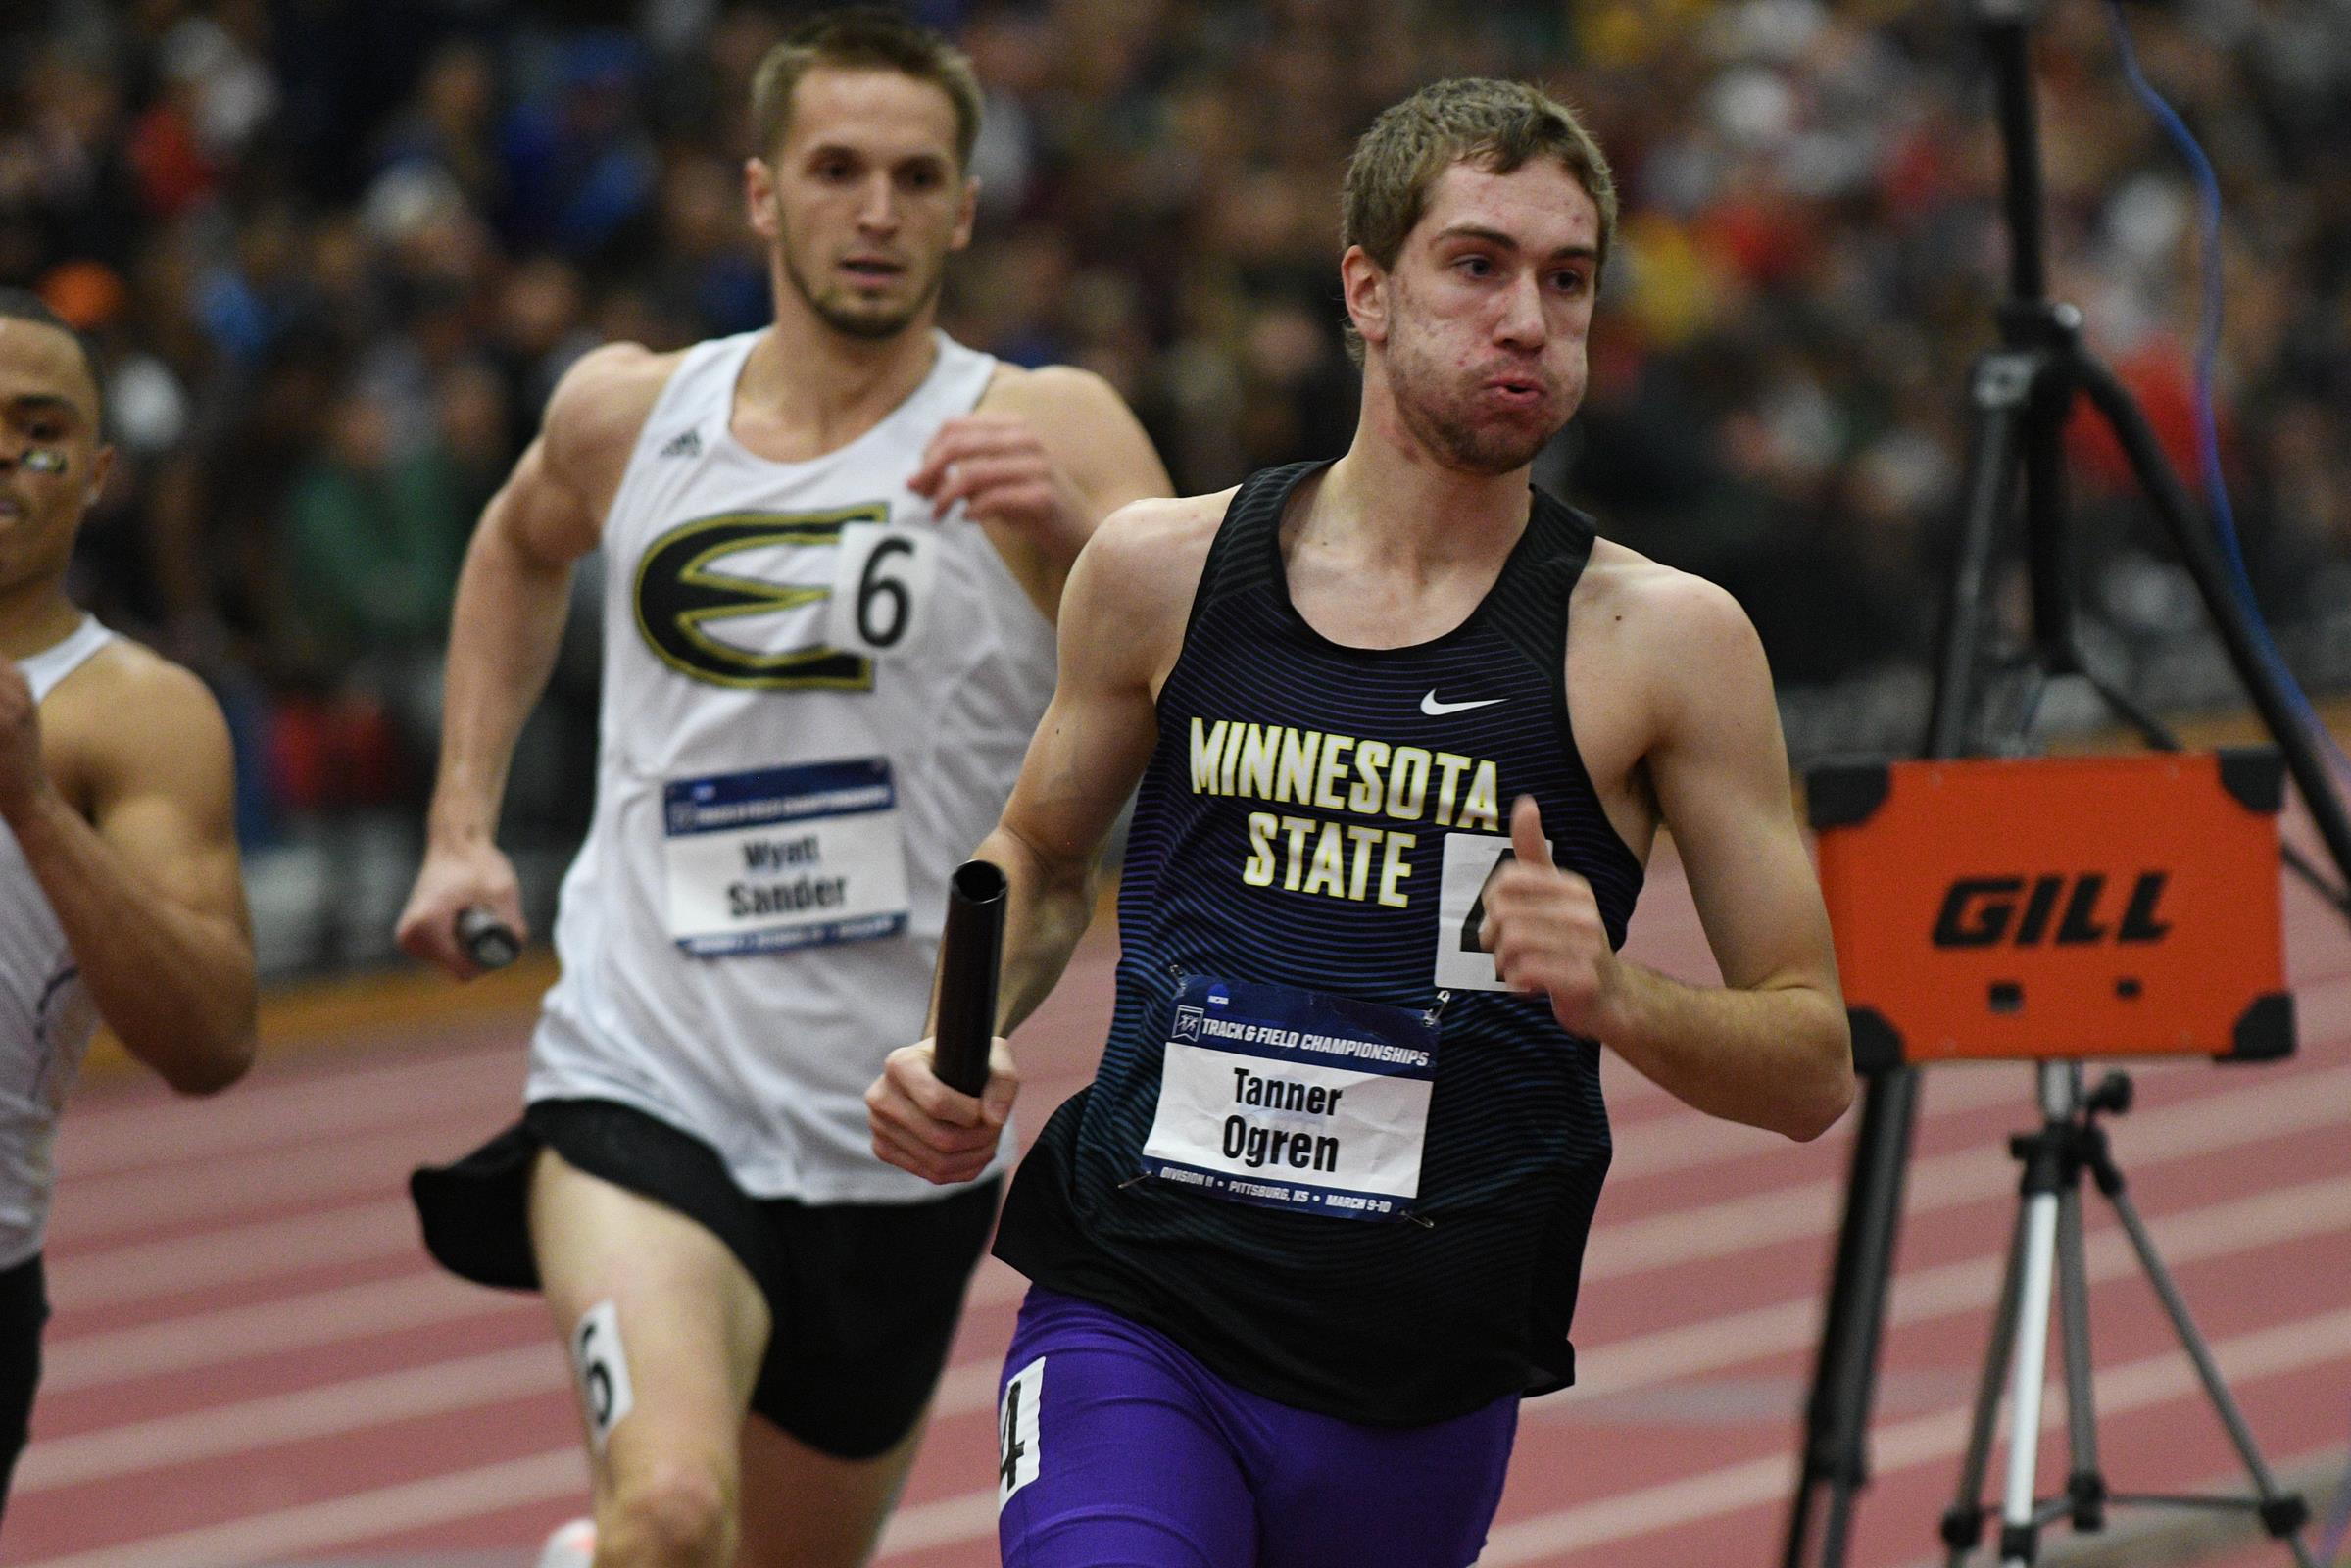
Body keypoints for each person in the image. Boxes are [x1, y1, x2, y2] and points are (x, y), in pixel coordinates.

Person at [865, 77, 1856, 1567]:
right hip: (1136, 1303)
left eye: (1566, 280)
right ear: (1366, 289)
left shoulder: (1660, 641)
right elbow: (1038, 857)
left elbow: (1809, 1063)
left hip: (1421, 1381)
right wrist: (955, 1036)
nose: (1526, 319)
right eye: (1477, 265)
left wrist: (1614, 997)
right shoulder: (1160, 572)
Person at [393, 10, 1170, 1568]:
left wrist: (1077, 534)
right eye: (834, 170)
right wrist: (461, 828)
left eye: (911, 176)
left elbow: (1213, 701)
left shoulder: (1049, 421)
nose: (872, 210)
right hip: (645, 1073)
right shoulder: (632, 412)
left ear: (963, 207)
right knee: (675, 1514)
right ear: (762, 195)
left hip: (900, 1125)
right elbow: (513, 545)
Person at [0, 289, 257, 1517]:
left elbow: (210, 1037)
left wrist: (33, 806)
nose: (2, 451)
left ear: (95, 474)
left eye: (35, 426)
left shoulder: (138, 714)